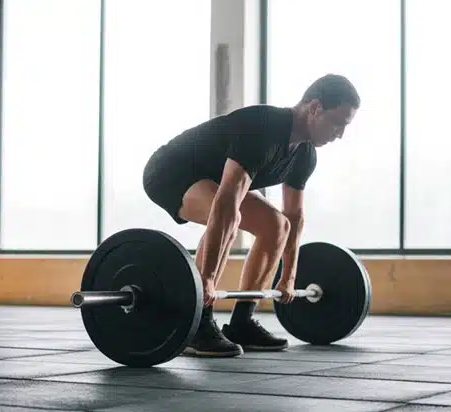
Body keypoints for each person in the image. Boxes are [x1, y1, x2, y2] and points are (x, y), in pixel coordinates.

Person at [141, 74, 360, 357]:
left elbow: (293, 217)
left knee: (276, 224)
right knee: (225, 216)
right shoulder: (264, 128)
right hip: (169, 173)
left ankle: (242, 322)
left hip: (214, 181)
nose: (339, 134)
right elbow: (226, 204)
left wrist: (289, 277)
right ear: (315, 107)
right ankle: (196, 321)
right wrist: (205, 280)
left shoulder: (304, 155)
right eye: (337, 123)